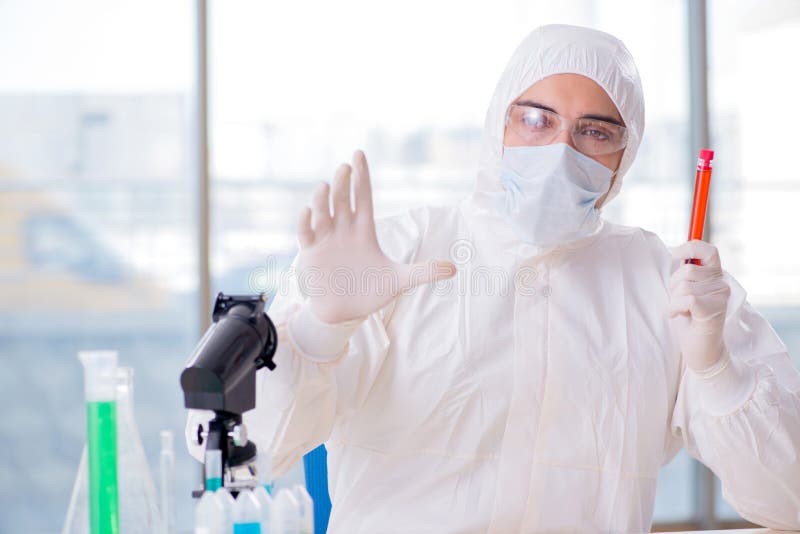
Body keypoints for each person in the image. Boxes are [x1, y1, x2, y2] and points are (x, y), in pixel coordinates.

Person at [187, 24, 800, 532]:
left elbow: (788, 500)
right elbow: (236, 452)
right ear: (497, 125)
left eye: (595, 131)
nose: (562, 149)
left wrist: (715, 368)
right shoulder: (393, 256)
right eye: (536, 118)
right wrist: (321, 330)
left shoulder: (670, 286)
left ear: (624, 154)